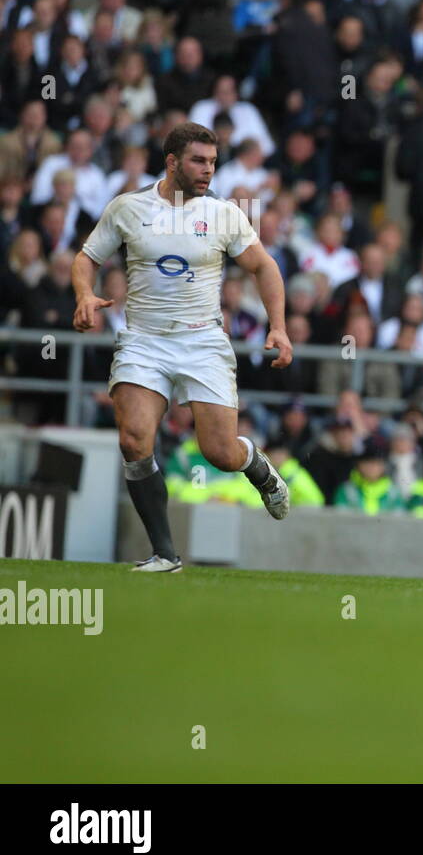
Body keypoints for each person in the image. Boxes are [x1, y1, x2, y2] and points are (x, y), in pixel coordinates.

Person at [70, 121, 294, 572]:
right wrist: (84, 295)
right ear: (171, 162)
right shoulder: (128, 208)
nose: (208, 170)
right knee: (134, 440)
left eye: (212, 162)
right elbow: (86, 257)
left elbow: (264, 267)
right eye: (198, 160)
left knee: (219, 452)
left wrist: (279, 327)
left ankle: (256, 466)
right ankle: (165, 553)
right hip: (144, 342)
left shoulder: (225, 214)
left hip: (202, 341)